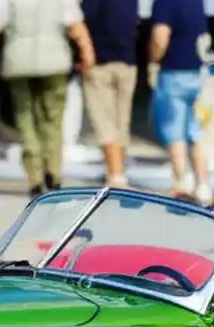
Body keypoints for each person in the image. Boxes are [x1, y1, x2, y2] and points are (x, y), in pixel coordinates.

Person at [0, 0, 95, 198]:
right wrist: (87, 54)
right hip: (54, 60)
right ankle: (53, 171)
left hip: (18, 61)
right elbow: (74, 24)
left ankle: (34, 178)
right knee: (53, 118)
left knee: (25, 118)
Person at [147, 0, 211, 205]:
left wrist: (153, 59)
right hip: (196, 72)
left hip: (174, 71)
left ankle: (181, 182)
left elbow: (160, 37)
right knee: (194, 130)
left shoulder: (164, 3)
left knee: (174, 129)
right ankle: (203, 183)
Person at [80, 0, 137, 187]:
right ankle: (119, 169)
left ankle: (115, 174)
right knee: (122, 122)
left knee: (104, 122)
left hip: (100, 63)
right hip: (128, 62)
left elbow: (86, 17)